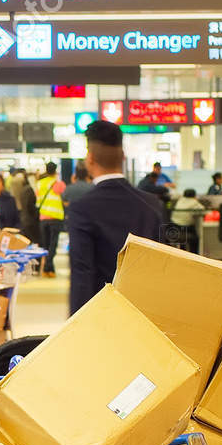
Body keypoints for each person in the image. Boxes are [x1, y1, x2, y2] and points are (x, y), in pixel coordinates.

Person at [65, 120, 164, 315]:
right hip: (145, 315)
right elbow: (163, 265)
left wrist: (75, 323)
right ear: (123, 157)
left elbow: (82, 273)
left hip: (103, 314)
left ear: (90, 159)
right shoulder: (152, 204)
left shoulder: (81, 209)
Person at [34, 161, 65, 276]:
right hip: (55, 217)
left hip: (43, 217)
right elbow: (64, 199)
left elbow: (37, 200)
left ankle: (49, 269)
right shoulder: (59, 184)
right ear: (55, 171)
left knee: (46, 244)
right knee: (53, 244)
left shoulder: (39, 183)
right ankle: (48, 268)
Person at [171, 187, 205, 254]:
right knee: (196, 239)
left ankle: (183, 252)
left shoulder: (180, 200)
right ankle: (195, 255)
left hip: (174, 228)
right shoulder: (194, 202)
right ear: (194, 195)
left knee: (183, 239)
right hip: (186, 230)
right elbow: (203, 211)